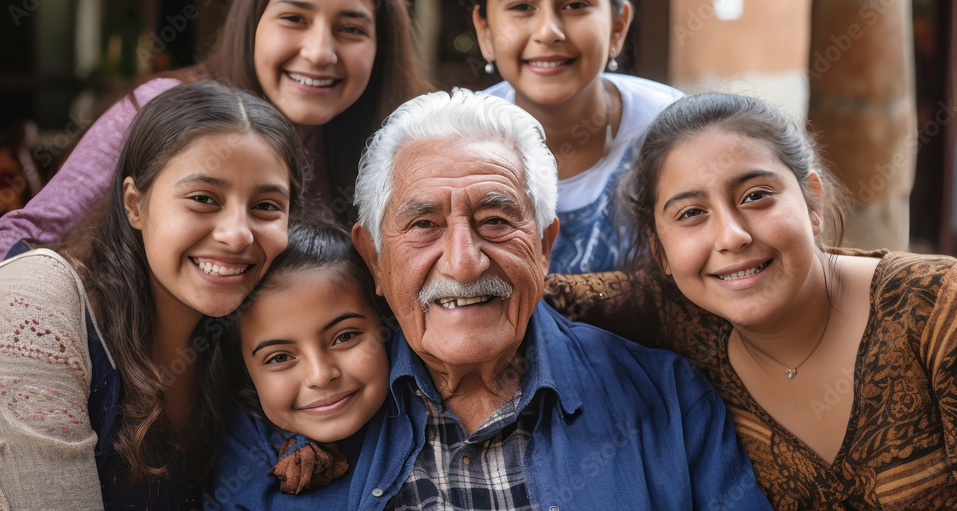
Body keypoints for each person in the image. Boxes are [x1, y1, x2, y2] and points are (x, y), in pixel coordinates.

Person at [212, 89, 769, 510]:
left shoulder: (666, 401)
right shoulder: (299, 417)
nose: (463, 261)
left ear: (546, 246)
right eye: (424, 224)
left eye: (497, 221)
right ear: (375, 259)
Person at [545, 92, 957, 509]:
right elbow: (530, 292)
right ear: (659, 252)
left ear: (812, 201)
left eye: (756, 195)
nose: (732, 236)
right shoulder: (676, 319)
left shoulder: (936, 306)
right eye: (691, 213)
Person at [0, 0, 425, 292]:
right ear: (252, 24)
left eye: (351, 29)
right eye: (294, 19)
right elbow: (7, 248)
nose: (321, 51)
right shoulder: (164, 110)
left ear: (379, 50)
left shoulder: (380, 156)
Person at [0, 81, 306, 509]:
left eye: (267, 206)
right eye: (202, 198)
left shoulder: (256, 336)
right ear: (134, 204)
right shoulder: (32, 306)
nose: (237, 235)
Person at [469, 0, 681, 274]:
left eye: (575, 4)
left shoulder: (675, 132)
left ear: (618, 26)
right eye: (521, 7)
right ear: (485, 31)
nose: (548, 31)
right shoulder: (457, 141)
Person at [228, 220, 389, 495]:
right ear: (246, 372)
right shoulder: (235, 470)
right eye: (279, 358)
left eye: (344, 337)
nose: (320, 375)